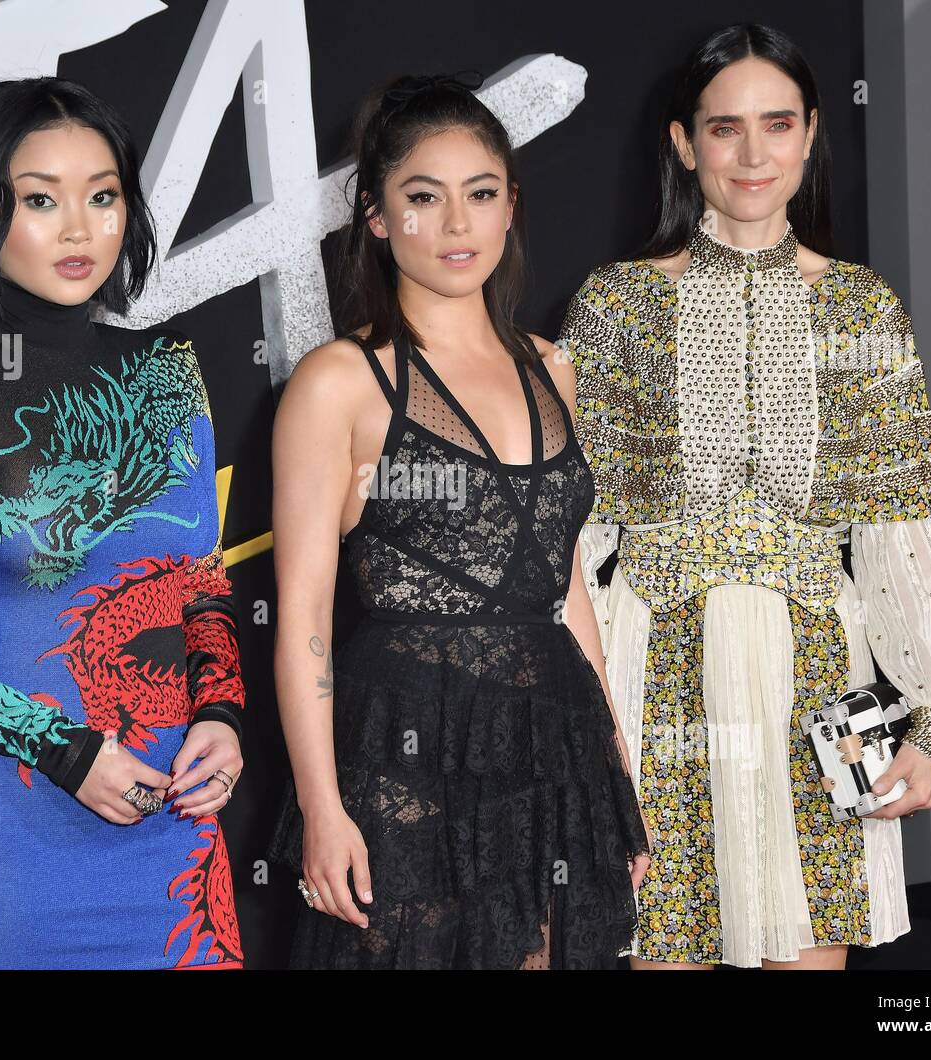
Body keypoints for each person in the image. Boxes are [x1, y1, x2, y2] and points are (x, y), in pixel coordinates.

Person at [558, 23, 931, 970]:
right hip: (654, 680)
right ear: (683, 143)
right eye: (725, 129)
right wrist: (580, 719)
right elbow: (572, 540)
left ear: (810, 136)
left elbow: (894, 540)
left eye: (777, 125)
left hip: (814, 693)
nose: (753, 155)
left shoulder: (863, 309)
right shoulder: (617, 303)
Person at [0, 77, 246, 968]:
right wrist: (63, 753)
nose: (79, 229)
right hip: (7, 843)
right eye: (40, 200)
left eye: (102, 196)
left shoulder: (168, 369)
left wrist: (221, 713)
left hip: (175, 833)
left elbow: (202, 580)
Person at [265, 72, 652, 970]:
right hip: (403, 741)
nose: (455, 226)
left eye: (479, 195)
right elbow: (304, 616)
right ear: (374, 216)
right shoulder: (340, 382)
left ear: (510, 206)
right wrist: (322, 806)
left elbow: (566, 590)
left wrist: (613, 773)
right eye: (422, 198)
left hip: (549, 737)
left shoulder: (554, 369)